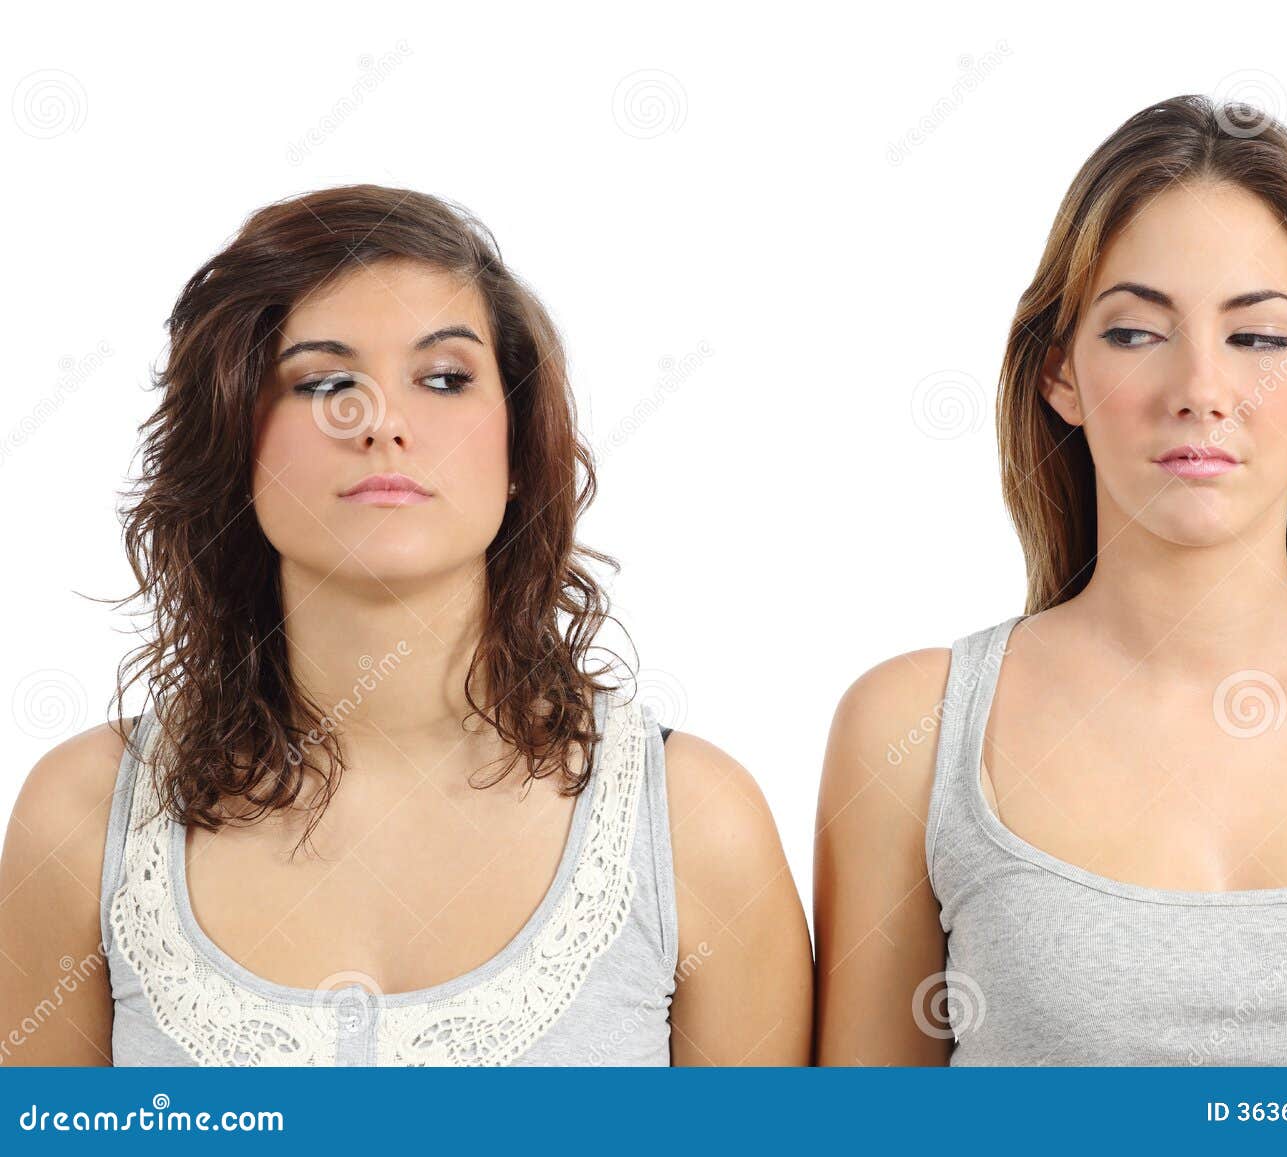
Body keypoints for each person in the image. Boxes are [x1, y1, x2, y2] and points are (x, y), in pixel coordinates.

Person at [814, 96, 1287, 1066]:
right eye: (1136, 332)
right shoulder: (906, 732)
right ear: (1058, 373)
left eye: (1256, 337)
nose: (1201, 389)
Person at [0, 184, 811, 1066]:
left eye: (444, 378)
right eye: (324, 381)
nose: (381, 422)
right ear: (234, 444)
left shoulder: (695, 822)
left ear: (517, 446)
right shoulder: (79, 821)